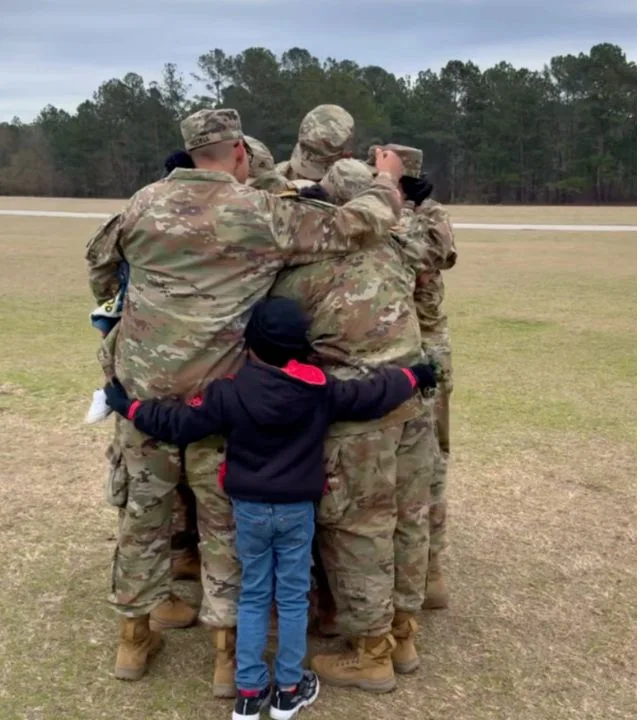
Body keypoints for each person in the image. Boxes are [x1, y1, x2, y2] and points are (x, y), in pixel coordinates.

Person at [84, 106, 404, 690]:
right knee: (225, 531)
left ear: (190, 152)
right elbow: (360, 225)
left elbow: (101, 266)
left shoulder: (142, 203)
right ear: (238, 152)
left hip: (143, 397)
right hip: (218, 403)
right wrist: (386, 179)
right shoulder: (258, 212)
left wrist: (132, 323)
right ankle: (226, 658)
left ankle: (133, 640)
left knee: (142, 517)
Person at [101, 297, 436, 720]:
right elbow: (369, 395)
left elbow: (180, 424)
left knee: (253, 596)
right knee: (293, 599)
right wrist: (414, 375)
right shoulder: (319, 389)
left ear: (250, 343)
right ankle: (289, 689)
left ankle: (247, 690)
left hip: (249, 512)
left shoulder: (229, 392)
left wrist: (128, 406)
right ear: (303, 346)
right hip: (297, 512)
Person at [271, 155, 438, 690]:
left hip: (355, 418)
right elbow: (433, 251)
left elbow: (277, 334)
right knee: (408, 520)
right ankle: (403, 633)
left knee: (360, 529)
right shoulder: (397, 248)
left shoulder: (307, 269)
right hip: (412, 405)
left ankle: (371, 653)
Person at [377, 143, 458, 610]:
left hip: (426, 346)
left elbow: (434, 253)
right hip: (385, 349)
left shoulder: (429, 215)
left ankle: (430, 569)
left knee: (431, 462)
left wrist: (396, 205)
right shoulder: (374, 208)